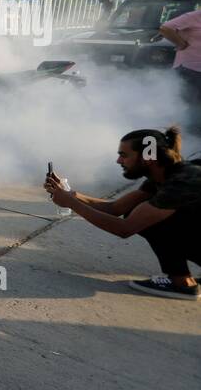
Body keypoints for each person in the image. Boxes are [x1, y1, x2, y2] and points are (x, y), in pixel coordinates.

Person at [46, 127, 199, 300]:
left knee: (148, 218)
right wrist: (71, 195)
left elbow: (124, 229)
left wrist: (70, 202)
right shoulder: (164, 175)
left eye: (124, 155)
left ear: (147, 158)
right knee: (139, 210)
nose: (119, 160)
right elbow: (116, 208)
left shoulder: (183, 181)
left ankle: (182, 284)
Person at [159, 7, 201, 134]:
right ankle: (186, 137)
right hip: (189, 68)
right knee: (191, 105)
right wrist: (181, 44)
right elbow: (165, 28)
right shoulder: (193, 16)